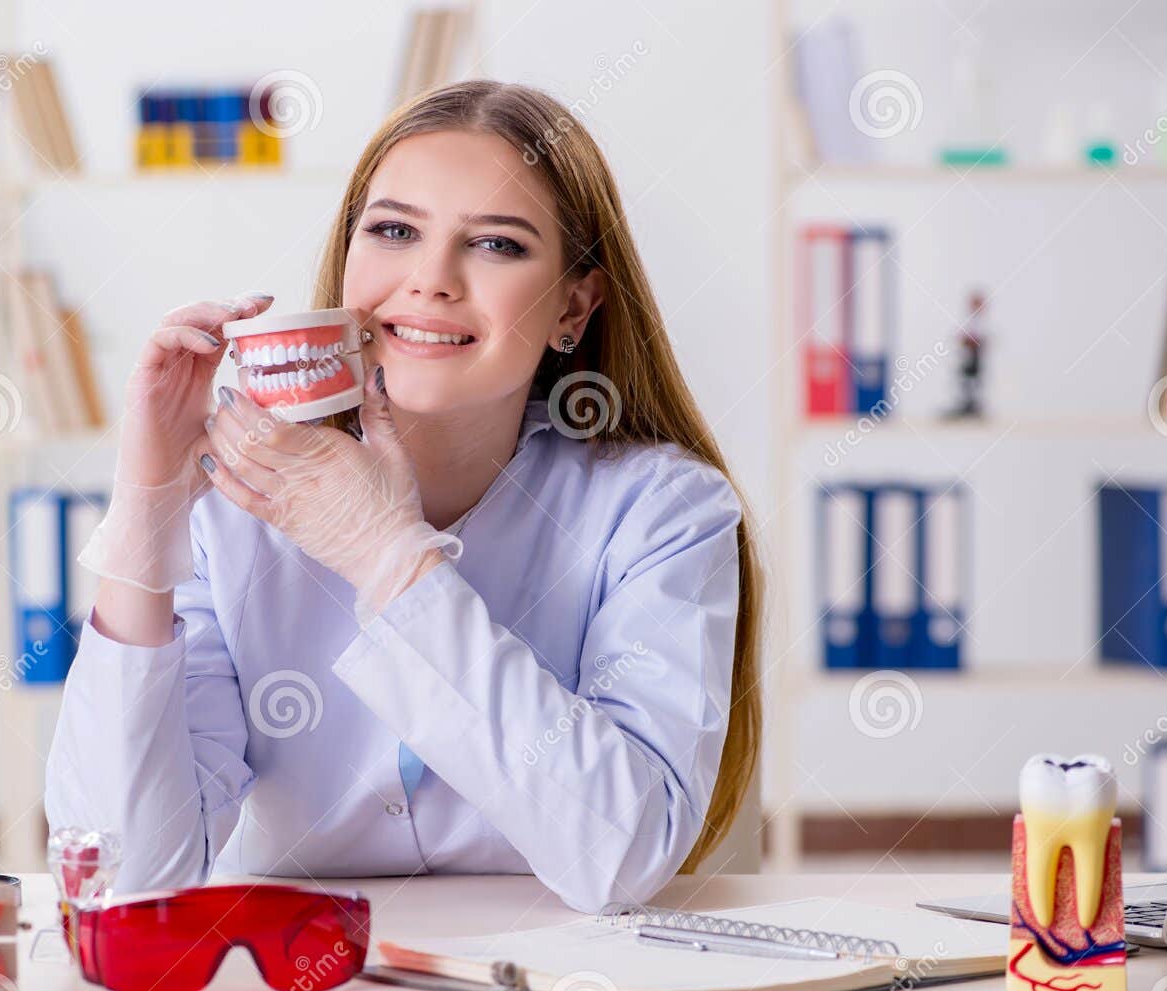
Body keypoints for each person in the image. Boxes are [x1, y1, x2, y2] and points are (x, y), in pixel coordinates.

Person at [44, 80, 764, 914]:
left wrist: (386, 556)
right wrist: (146, 515)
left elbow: (622, 856)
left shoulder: (664, 512)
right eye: (393, 231)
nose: (430, 280)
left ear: (574, 304)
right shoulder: (232, 506)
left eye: (495, 244)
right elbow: (122, 880)